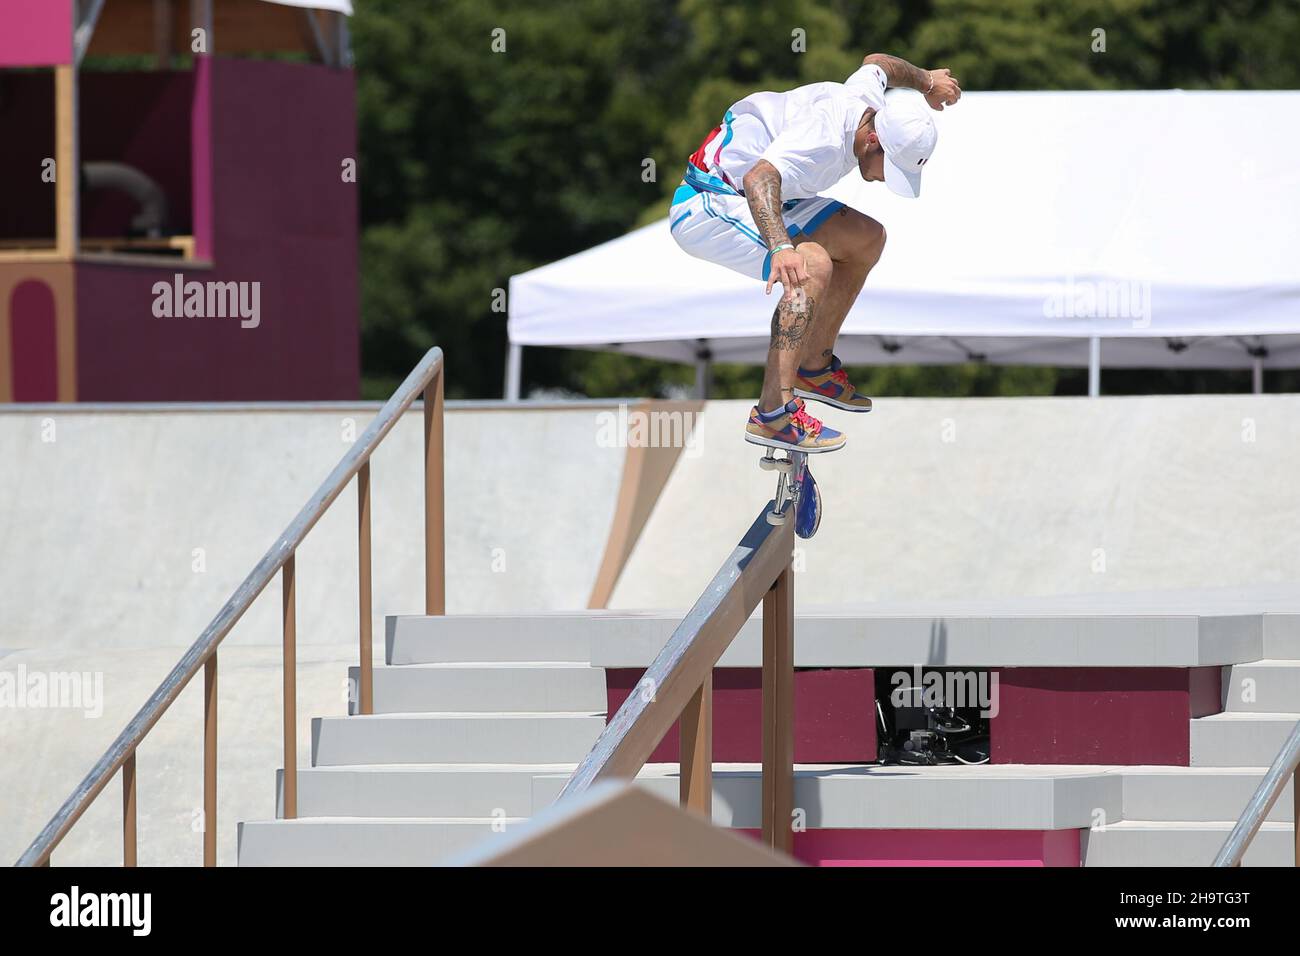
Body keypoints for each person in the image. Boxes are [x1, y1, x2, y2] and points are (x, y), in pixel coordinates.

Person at [669, 54, 961, 452]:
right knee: (811, 265)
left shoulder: (867, 102)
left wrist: (926, 81)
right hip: (710, 201)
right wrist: (781, 248)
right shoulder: (821, 139)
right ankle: (772, 413)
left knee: (867, 237)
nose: (881, 178)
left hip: (771, 194)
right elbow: (759, 178)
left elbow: (878, 64)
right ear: (873, 139)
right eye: (886, 168)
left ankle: (813, 367)